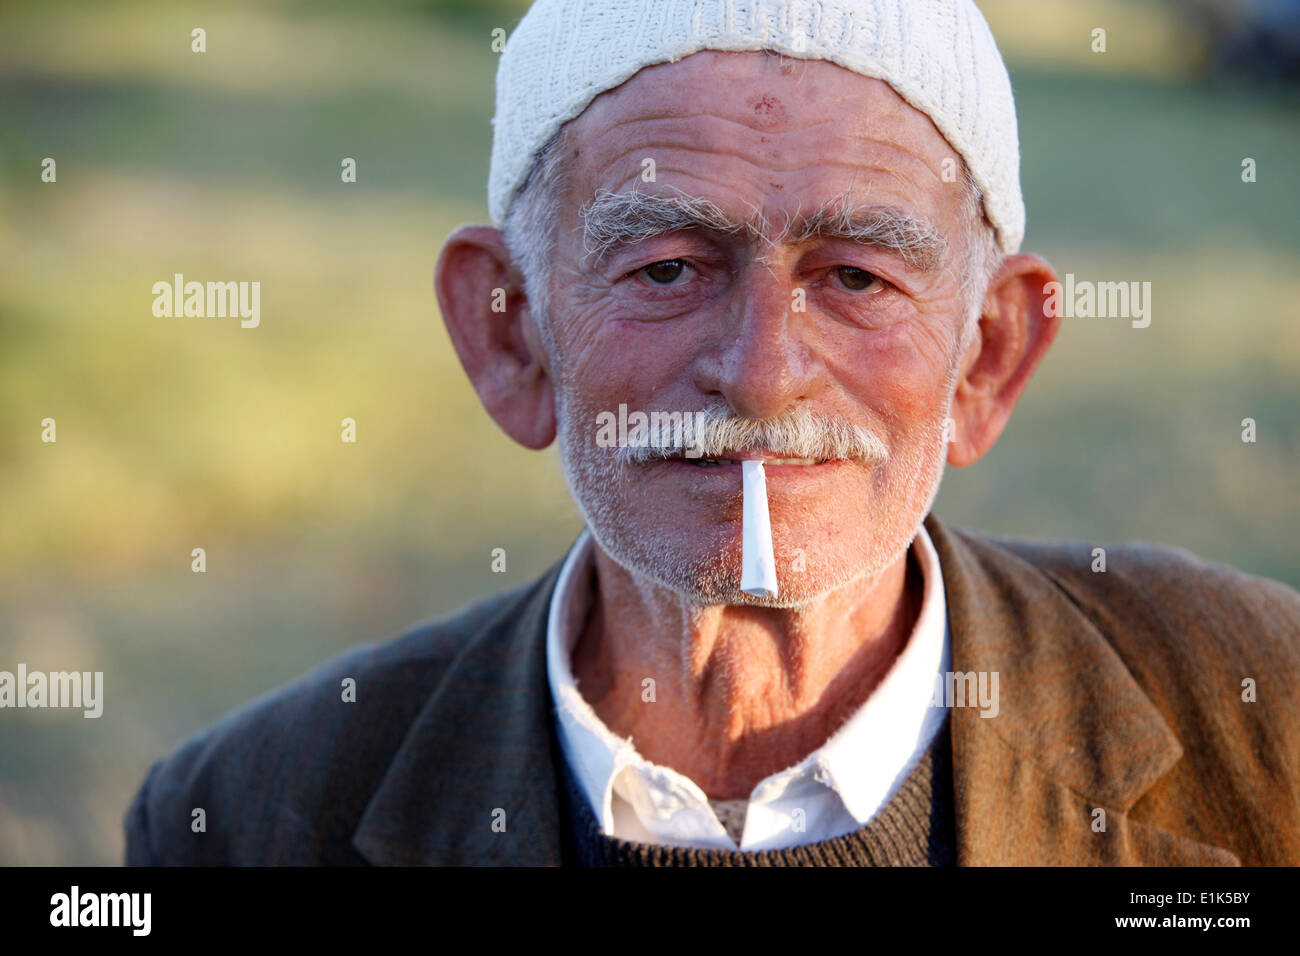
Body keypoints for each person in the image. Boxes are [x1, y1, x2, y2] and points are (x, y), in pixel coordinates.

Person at [125, 0, 1300, 866]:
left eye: (854, 277)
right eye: (669, 266)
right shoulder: (246, 816)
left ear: (985, 357)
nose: (761, 373)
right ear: (512, 333)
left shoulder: (1260, 707)